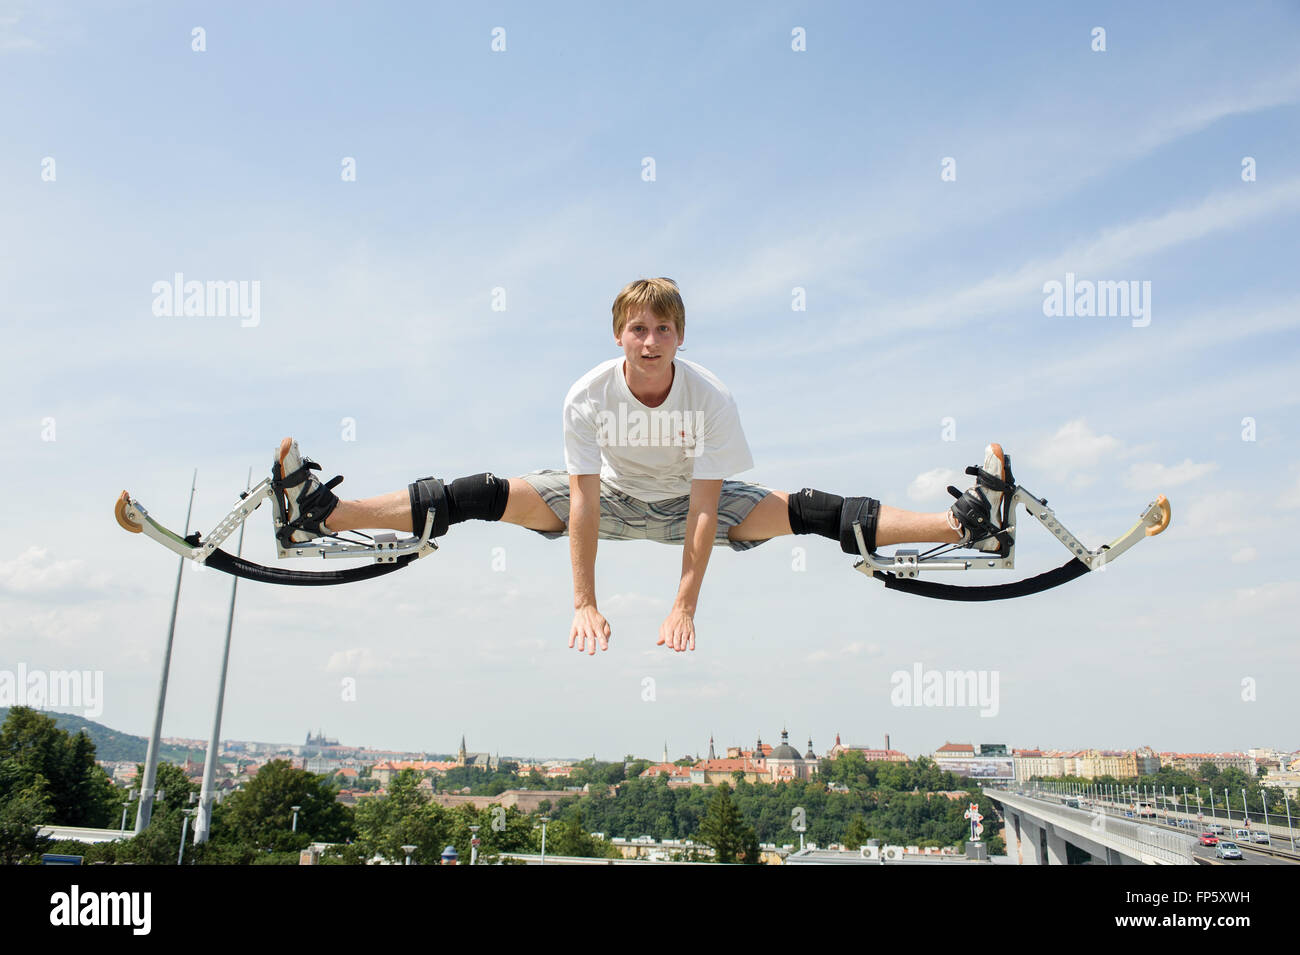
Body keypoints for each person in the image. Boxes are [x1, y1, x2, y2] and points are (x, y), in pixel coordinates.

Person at [271, 278, 1007, 656]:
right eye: (637, 328)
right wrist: (583, 602)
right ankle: (324, 513)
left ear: (679, 335)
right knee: (479, 493)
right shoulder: (587, 395)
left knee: (815, 509)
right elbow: (583, 503)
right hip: (612, 499)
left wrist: (684, 605)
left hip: (692, 503)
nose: (649, 340)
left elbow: (705, 508)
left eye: (662, 328)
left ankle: (965, 525)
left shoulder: (710, 397)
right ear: (619, 334)